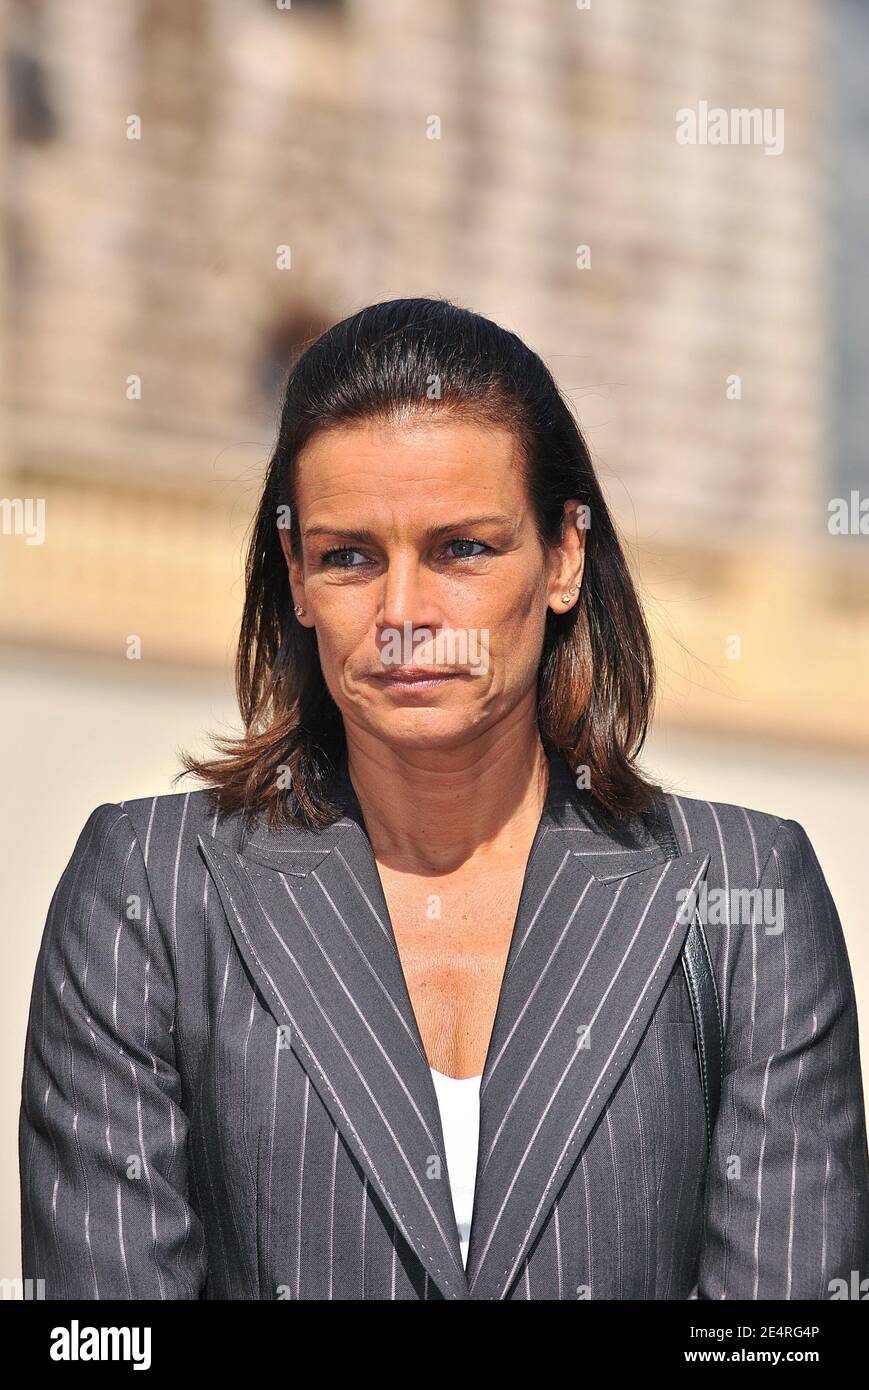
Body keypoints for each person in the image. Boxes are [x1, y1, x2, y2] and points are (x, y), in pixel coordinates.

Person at [19, 297, 869, 1299]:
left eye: (461, 548)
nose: (405, 614)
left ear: (562, 557)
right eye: (348, 556)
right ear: (294, 578)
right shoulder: (151, 892)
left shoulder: (741, 899)